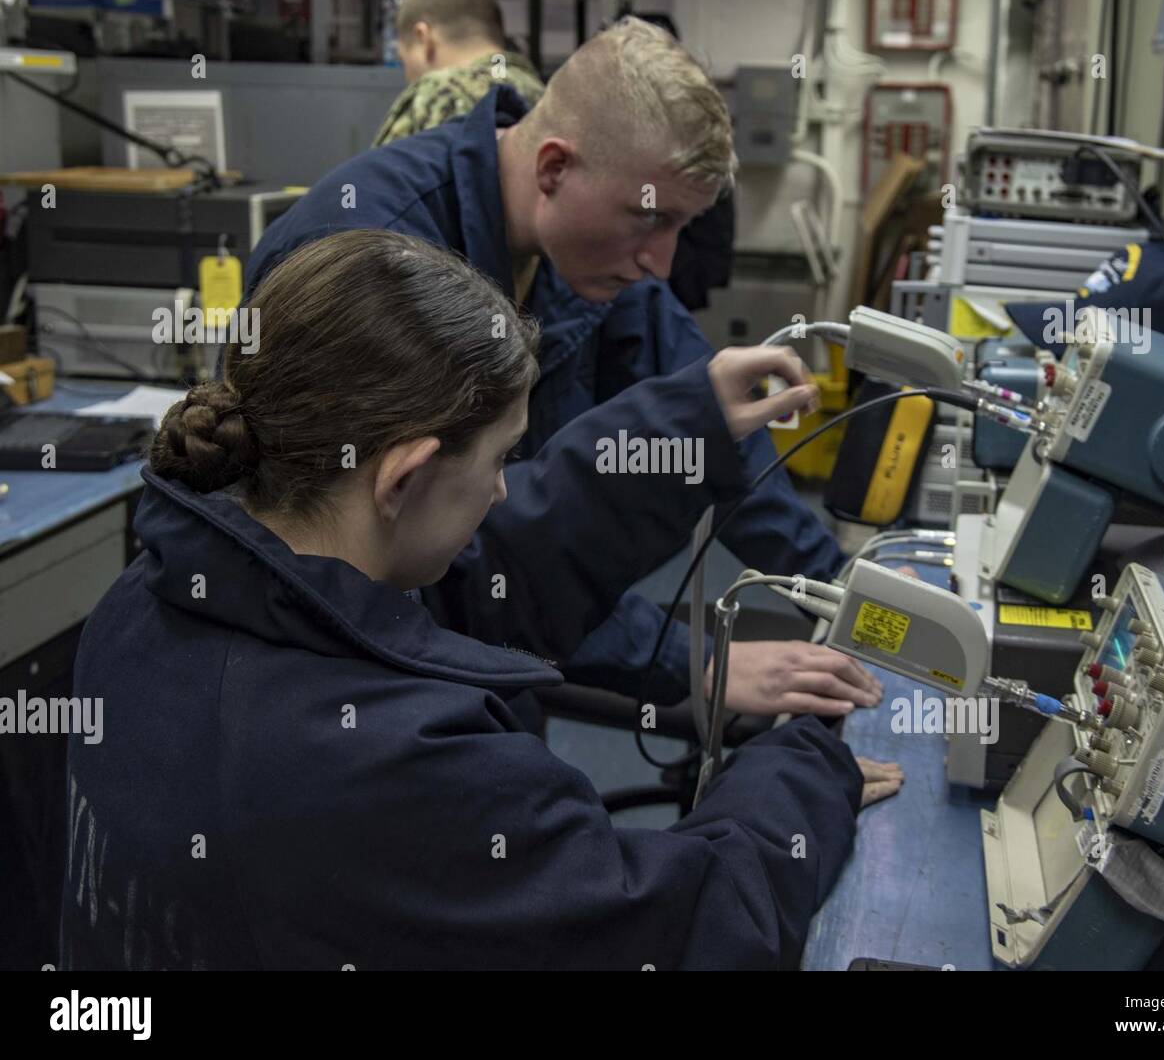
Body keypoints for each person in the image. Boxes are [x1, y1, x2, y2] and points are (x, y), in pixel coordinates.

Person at [61, 230, 903, 970]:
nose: (503, 491)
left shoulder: (145, 602)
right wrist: (800, 773)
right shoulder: (409, 767)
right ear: (404, 477)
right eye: (501, 460)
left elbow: (487, 575)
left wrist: (687, 421)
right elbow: (686, 930)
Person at [248, 17, 878, 721]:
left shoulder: (588, 255)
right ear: (552, 169)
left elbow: (723, 432)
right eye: (649, 220)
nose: (661, 262)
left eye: (680, 226)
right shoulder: (372, 259)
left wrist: (853, 598)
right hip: (362, 687)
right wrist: (688, 659)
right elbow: (432, 572)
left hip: (508, 646)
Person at [374, 0, 545, 148]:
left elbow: (378, 166)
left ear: (424, 38)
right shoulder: (542, 94)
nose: (407, 76)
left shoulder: (437, 92)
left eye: (404, 60)